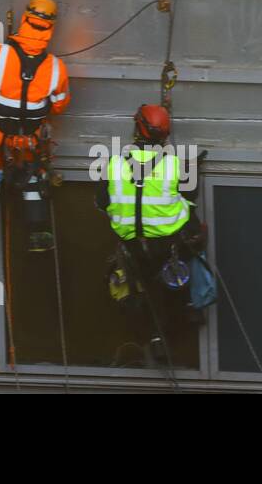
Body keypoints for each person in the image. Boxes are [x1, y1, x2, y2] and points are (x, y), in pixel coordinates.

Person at [0, 0, 71, 252]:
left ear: (24, 20)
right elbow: (59, 105)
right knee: (34, 177)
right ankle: (38, 234)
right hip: (29, 144)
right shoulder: (56, 68)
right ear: (51, 28)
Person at [96, 103, 204, 363]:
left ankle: (155, 337)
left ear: (137, 129)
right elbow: (191, 197)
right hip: (168, 244)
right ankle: (189, 305)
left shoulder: (113, 164)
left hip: (132, 244)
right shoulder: (176, 165)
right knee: (194, 233)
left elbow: (101, 202)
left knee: (142, 290)